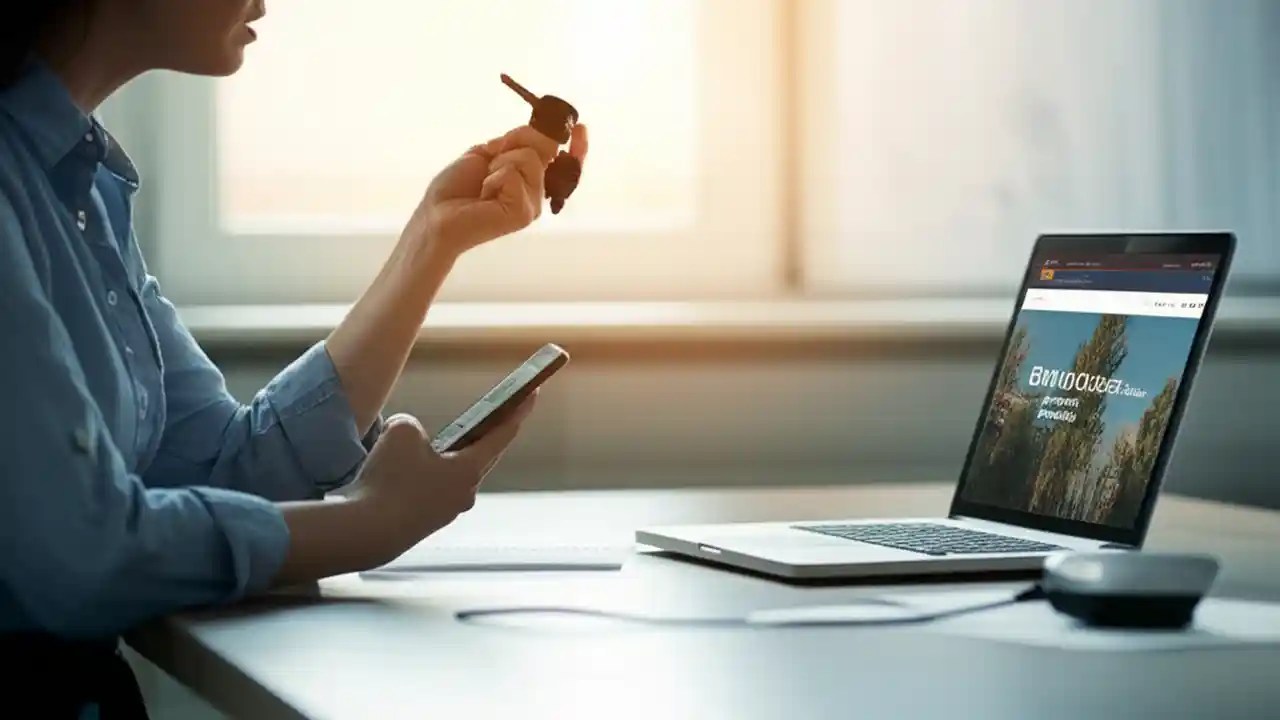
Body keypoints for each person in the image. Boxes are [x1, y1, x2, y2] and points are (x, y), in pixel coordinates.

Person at [0, 1, 589, 715]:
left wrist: (432, 242)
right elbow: (82, 557)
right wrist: (373, 522)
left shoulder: (78, 186)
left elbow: (223, 469)